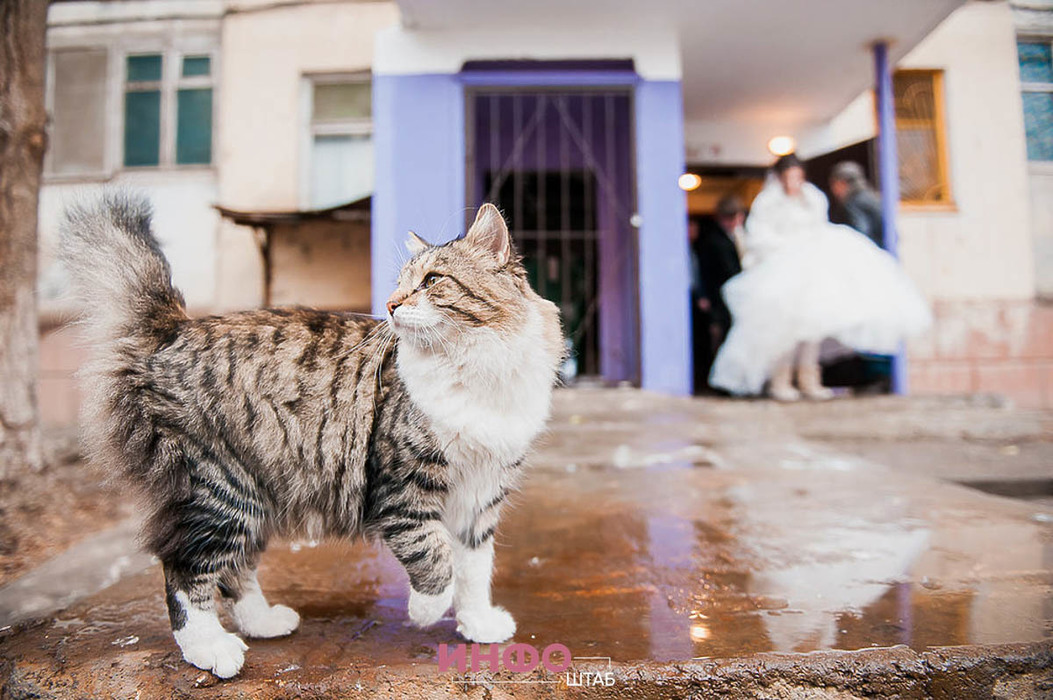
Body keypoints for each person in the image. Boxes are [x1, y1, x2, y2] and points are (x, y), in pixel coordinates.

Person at [709, 153, 931, 401]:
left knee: (811, 325)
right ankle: (781, 380)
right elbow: (759, 237)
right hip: (784, 270)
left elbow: (819, 228)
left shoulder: (812, 198)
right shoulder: (768, 202)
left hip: (811, 272)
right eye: (789, 177)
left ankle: (808, 378)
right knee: (785, 326)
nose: (794, 182)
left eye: (797, 177)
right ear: (780, 178)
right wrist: (791, 248)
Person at [829, 161, 885, 248]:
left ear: (842, 183)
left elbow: (861, 234)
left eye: (834, 184)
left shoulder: (853, 202)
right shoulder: (869, 196)